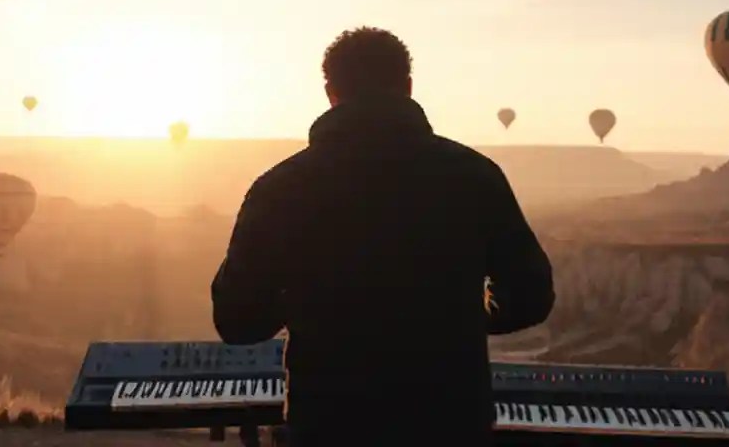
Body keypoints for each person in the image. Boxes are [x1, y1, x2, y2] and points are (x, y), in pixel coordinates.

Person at [211, 27, 555, 447]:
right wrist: (456, 318)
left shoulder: (279, 188)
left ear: (330, 92)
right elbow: (532, 296)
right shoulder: (474, 175)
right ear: (408, 87)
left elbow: (236, 320)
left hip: (330, 423)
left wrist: (310, 306)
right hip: (450, 419)